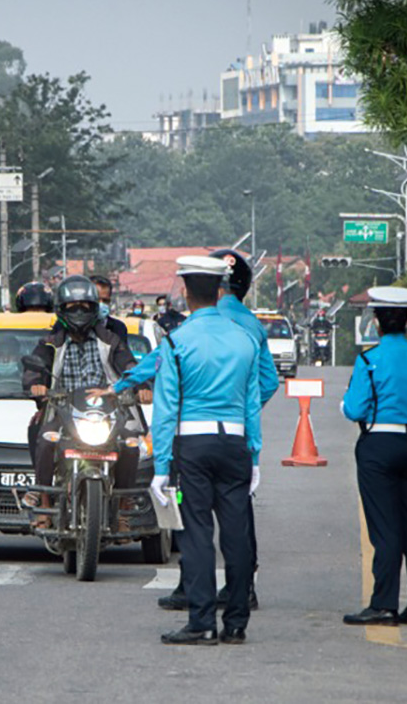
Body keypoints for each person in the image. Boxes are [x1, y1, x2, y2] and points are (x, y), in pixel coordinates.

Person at [151, 256, 260, 646]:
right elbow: (251, 403)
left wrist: (161, 466)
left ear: (185, 293)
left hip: (191, 447)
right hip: (235, 444)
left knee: (196, 532)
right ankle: (236, 623)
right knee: (237, 533)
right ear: (219, 293)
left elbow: (165, 410)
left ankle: (201, 622)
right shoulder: (244, 339)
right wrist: (256, 454)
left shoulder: (176, 342)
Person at [341, 287, 407, 627]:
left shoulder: (369, 360)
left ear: (376, 323)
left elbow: (355, 408)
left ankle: (384, 604)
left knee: (385, 529)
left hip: (379, 445)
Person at [21, 276, 147, 530]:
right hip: (64, 410)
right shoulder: (51, 341)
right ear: (61, 309)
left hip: (106, 411)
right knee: (45, 438)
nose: (79, 312)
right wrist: (36, 384)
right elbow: (36, 366)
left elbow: (129, 365)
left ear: (94, 309)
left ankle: (123, 508)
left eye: (85, 306)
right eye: (72, 307)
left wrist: (142, 386)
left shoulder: (110, 340)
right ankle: (44, 504)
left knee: (131, 443)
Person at [89, 275, 129, 342]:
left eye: (105, 301)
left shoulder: (118, 328)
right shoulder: (80, 328)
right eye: (97, 300)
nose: (101, 304)